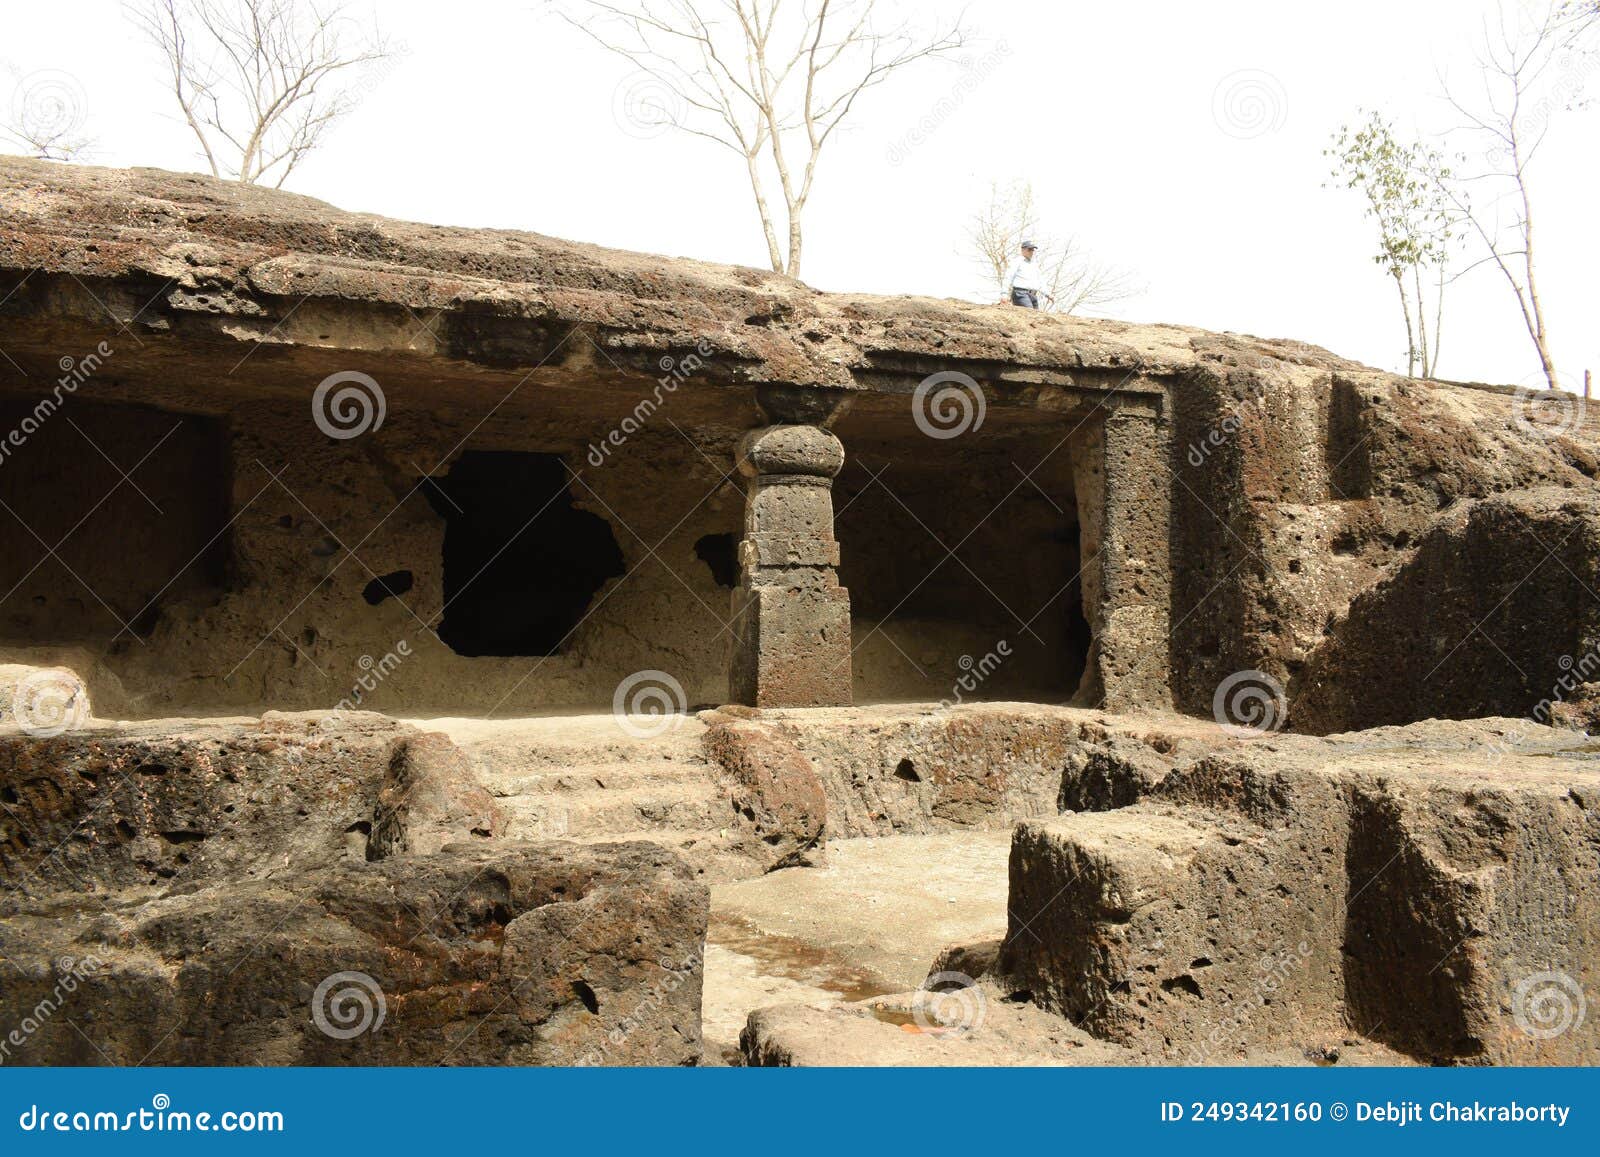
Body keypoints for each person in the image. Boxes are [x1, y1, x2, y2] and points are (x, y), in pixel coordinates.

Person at [1003, 240, 1052, 309]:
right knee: (1030, 314)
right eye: (1029, 249)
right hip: (1020, 294)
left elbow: (1040, 281)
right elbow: (1008, 277)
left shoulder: (1034, 264)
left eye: (1033, 250)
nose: (1031, 252)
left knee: (1037, 317)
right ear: (1023, 250)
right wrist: (1004, 294)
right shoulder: (1016, 262)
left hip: (1033, 295)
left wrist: (1048, 294)